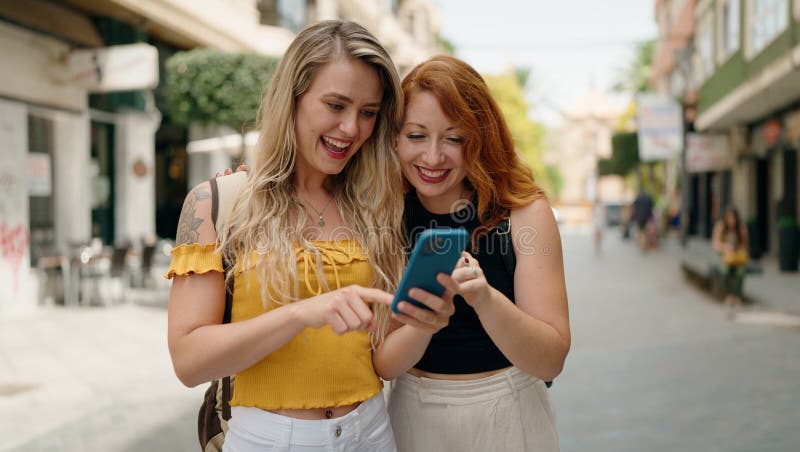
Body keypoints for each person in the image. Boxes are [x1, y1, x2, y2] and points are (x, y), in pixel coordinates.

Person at [165, 21, 454, 452]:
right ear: (293, 98)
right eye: (335, 105)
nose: (352, 128)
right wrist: (302, 313)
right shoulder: (218, 202)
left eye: (369, 113)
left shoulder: (378, 204)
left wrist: (425, 323)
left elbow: (382, 363)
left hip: (371, 431)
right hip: (269, 440)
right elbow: (189, 362)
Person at [374, 55, 570, 452]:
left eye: (454, 138)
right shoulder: (382, 212)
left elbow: (550, 361)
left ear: (481, 138)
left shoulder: (525, 214)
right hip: (411, 412)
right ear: (393, 137)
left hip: (510, 412)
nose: (432, 157)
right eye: (415, 136)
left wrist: (485, 299)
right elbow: (384, 365)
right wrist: (426, 320)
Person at [711, 206, 749, 308]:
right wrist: (725, 247)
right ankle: (729, 296)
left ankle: (737, 297)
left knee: (740, 271)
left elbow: (745, 245)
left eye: (733, 218)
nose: (731, 221)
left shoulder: (741, 228)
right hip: (724, 257)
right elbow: (715, 244)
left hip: (737, 258)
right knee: (725, 270)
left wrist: (737, 248)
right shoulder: (720, 226)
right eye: (729, 218)